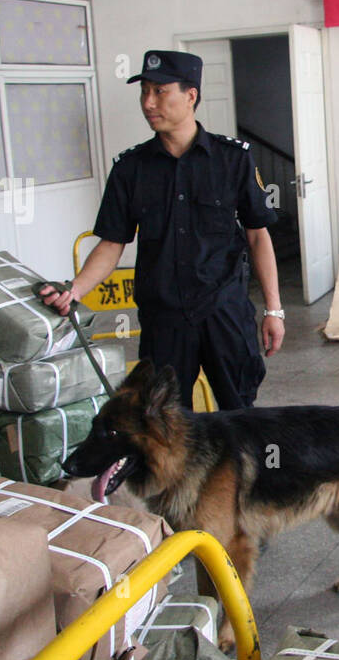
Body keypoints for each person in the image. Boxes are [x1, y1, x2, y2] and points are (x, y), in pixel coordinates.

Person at [41, 50, 285, 410]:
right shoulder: (130, 169)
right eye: (144, 93)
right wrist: (74, 290)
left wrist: (274, 310)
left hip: (224, 313)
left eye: (159, 92)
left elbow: (257, 235)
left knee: (239, 418)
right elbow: (112, 243)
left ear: (190, 96)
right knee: (164, 424)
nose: (148, 103)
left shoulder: (233, 159)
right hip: (164, 319)